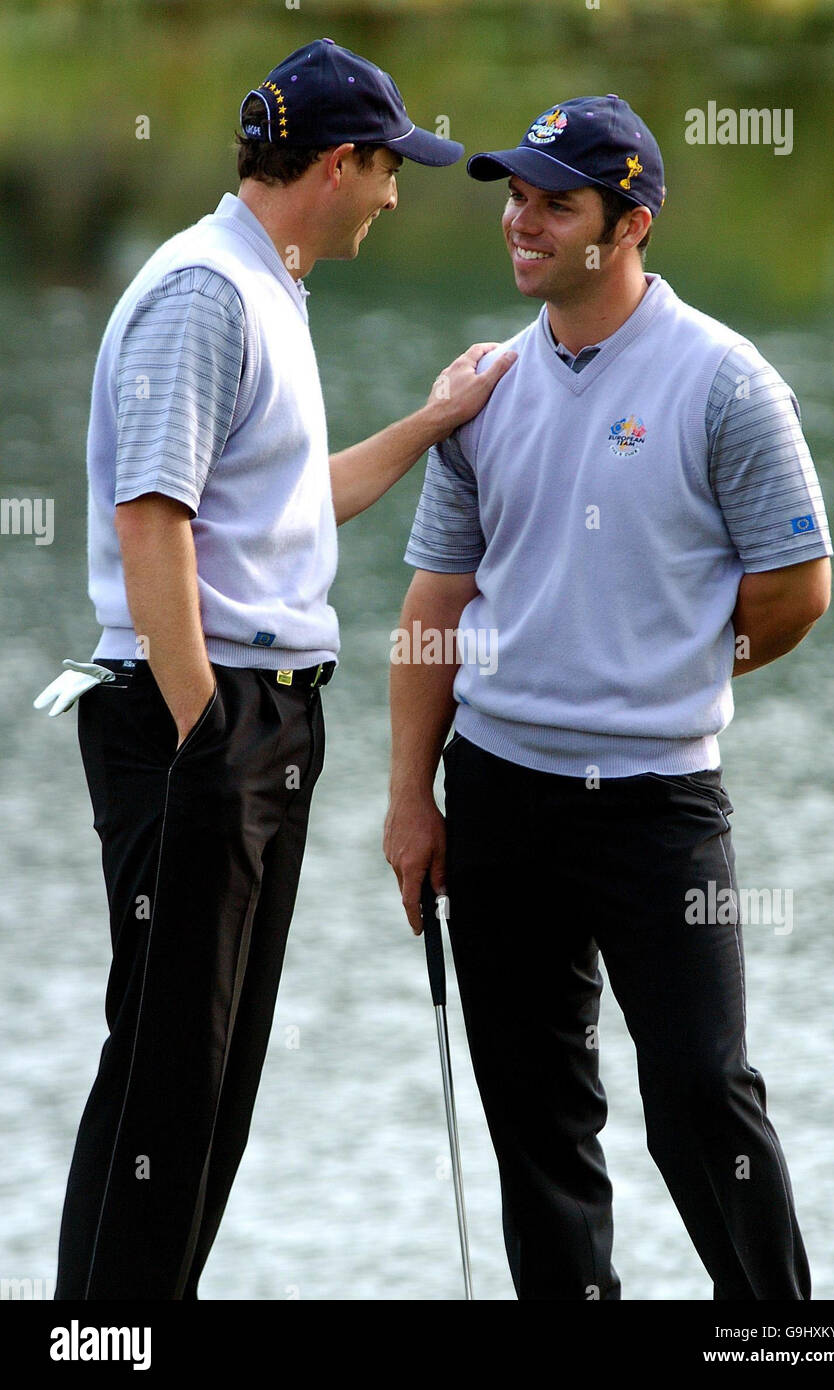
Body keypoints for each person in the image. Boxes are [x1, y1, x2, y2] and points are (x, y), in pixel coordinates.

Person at [53, 38, 514, 1300]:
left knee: (211, 1084)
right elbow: (154, 521)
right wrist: (210, 738)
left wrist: (430, 424)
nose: (397, 193)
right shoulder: (206, 292)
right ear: (335, 162)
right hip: (195, 721)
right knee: (166, 1082)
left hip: (256, 722)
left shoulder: (268, 288)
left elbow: (278, 510)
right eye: (389, 168)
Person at [384, 95, 833, 1300]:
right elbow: (433, 613)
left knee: (702, 1098)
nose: (521, 222)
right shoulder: (481, 390)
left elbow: (797, 589)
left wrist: (673, 664)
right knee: (538, 1128)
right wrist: (409, 802)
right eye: (513, 198)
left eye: (554, 204)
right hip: (499, 798)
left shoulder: (728, 383)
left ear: (628, 224)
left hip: (657, 805)